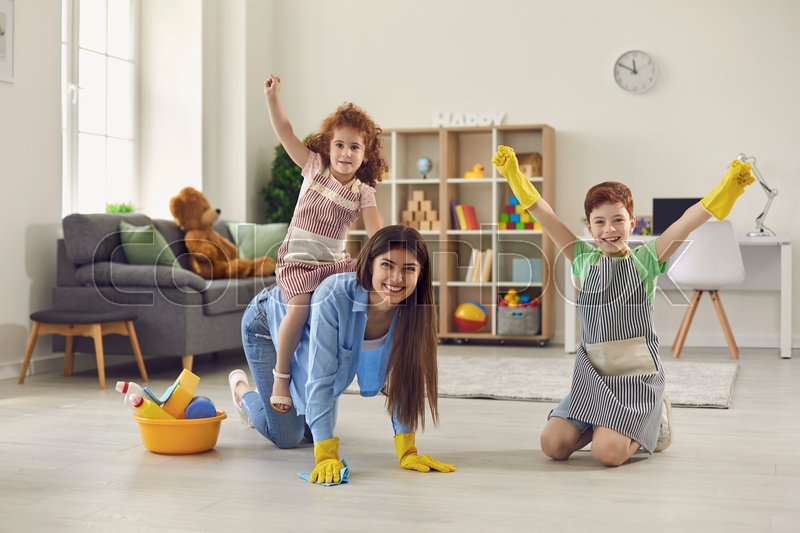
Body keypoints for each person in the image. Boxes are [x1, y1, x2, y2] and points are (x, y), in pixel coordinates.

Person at [493, 145, 754, 466]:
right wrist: (514, 176)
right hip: (593, 378)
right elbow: (544, 214)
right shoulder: (581, 258)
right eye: (599, 222)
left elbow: (687, 221)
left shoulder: (647, 259)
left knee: (608, 454)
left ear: (633, 223)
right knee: (553, 445)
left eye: (618, 220)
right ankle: (604, 422)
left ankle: (651, 420)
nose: (609, 229)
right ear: (589, 227)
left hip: (636, 380)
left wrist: (728, 188)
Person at [229, 225, 456, 484]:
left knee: (313, 430)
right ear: (370, 265)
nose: (396, 278)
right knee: (288, 437)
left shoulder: (413, 311)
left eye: (409, 269)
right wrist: (325, 455)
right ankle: (242, 392)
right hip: (267, 325)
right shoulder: (335, 295)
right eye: (387, 265)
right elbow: (321, 377)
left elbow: (406, 376)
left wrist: (407, 449)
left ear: (421, 274)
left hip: (309, 334)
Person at [263, 74, 388, 414]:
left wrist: (389, 248)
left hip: (333, 265)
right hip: (299, 263)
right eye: (340, 145)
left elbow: (376, 227)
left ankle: (376, 370)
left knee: (372, 296)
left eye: (355, 147)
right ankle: (281, 374)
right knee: (300, 306)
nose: (346, 153)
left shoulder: (363, 191)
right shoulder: (313, 167)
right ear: (328, 147)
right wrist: (273, 99)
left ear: (366, 154)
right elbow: (286, 132)